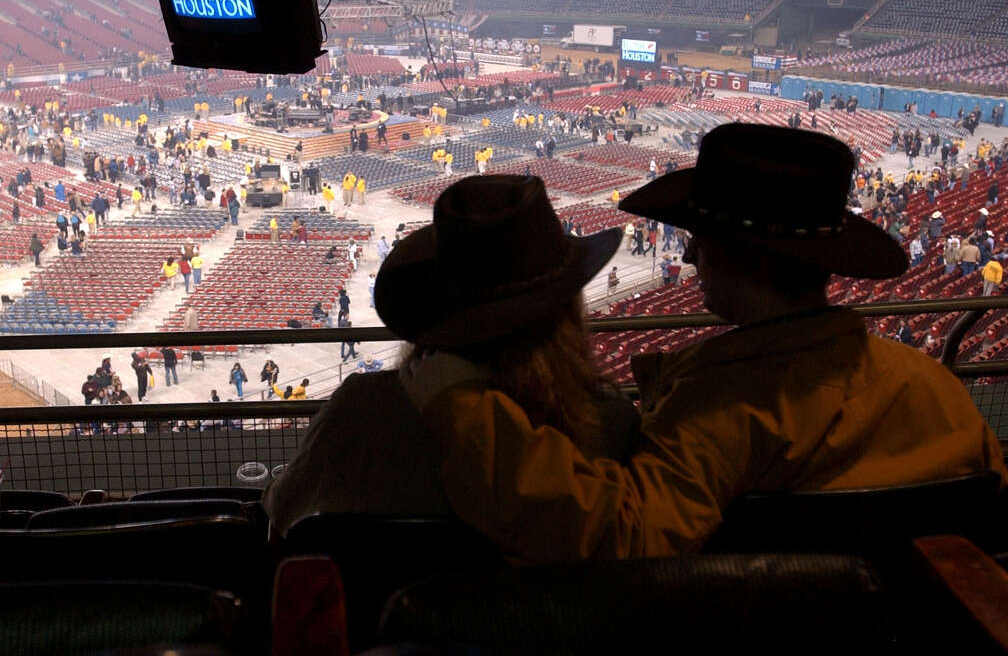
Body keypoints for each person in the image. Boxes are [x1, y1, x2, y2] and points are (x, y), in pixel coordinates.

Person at [399, 124, 1007, 563]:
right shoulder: (935, 387)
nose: (688, 254)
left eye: (702, 240)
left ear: (743, 257)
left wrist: (464, 406)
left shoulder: (721, 408)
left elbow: (620, 533)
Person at [264, 175, 638, 537]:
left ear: (434, 307)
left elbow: (280, 515)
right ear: (568, 311)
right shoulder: (609, 422)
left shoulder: (360, 407)